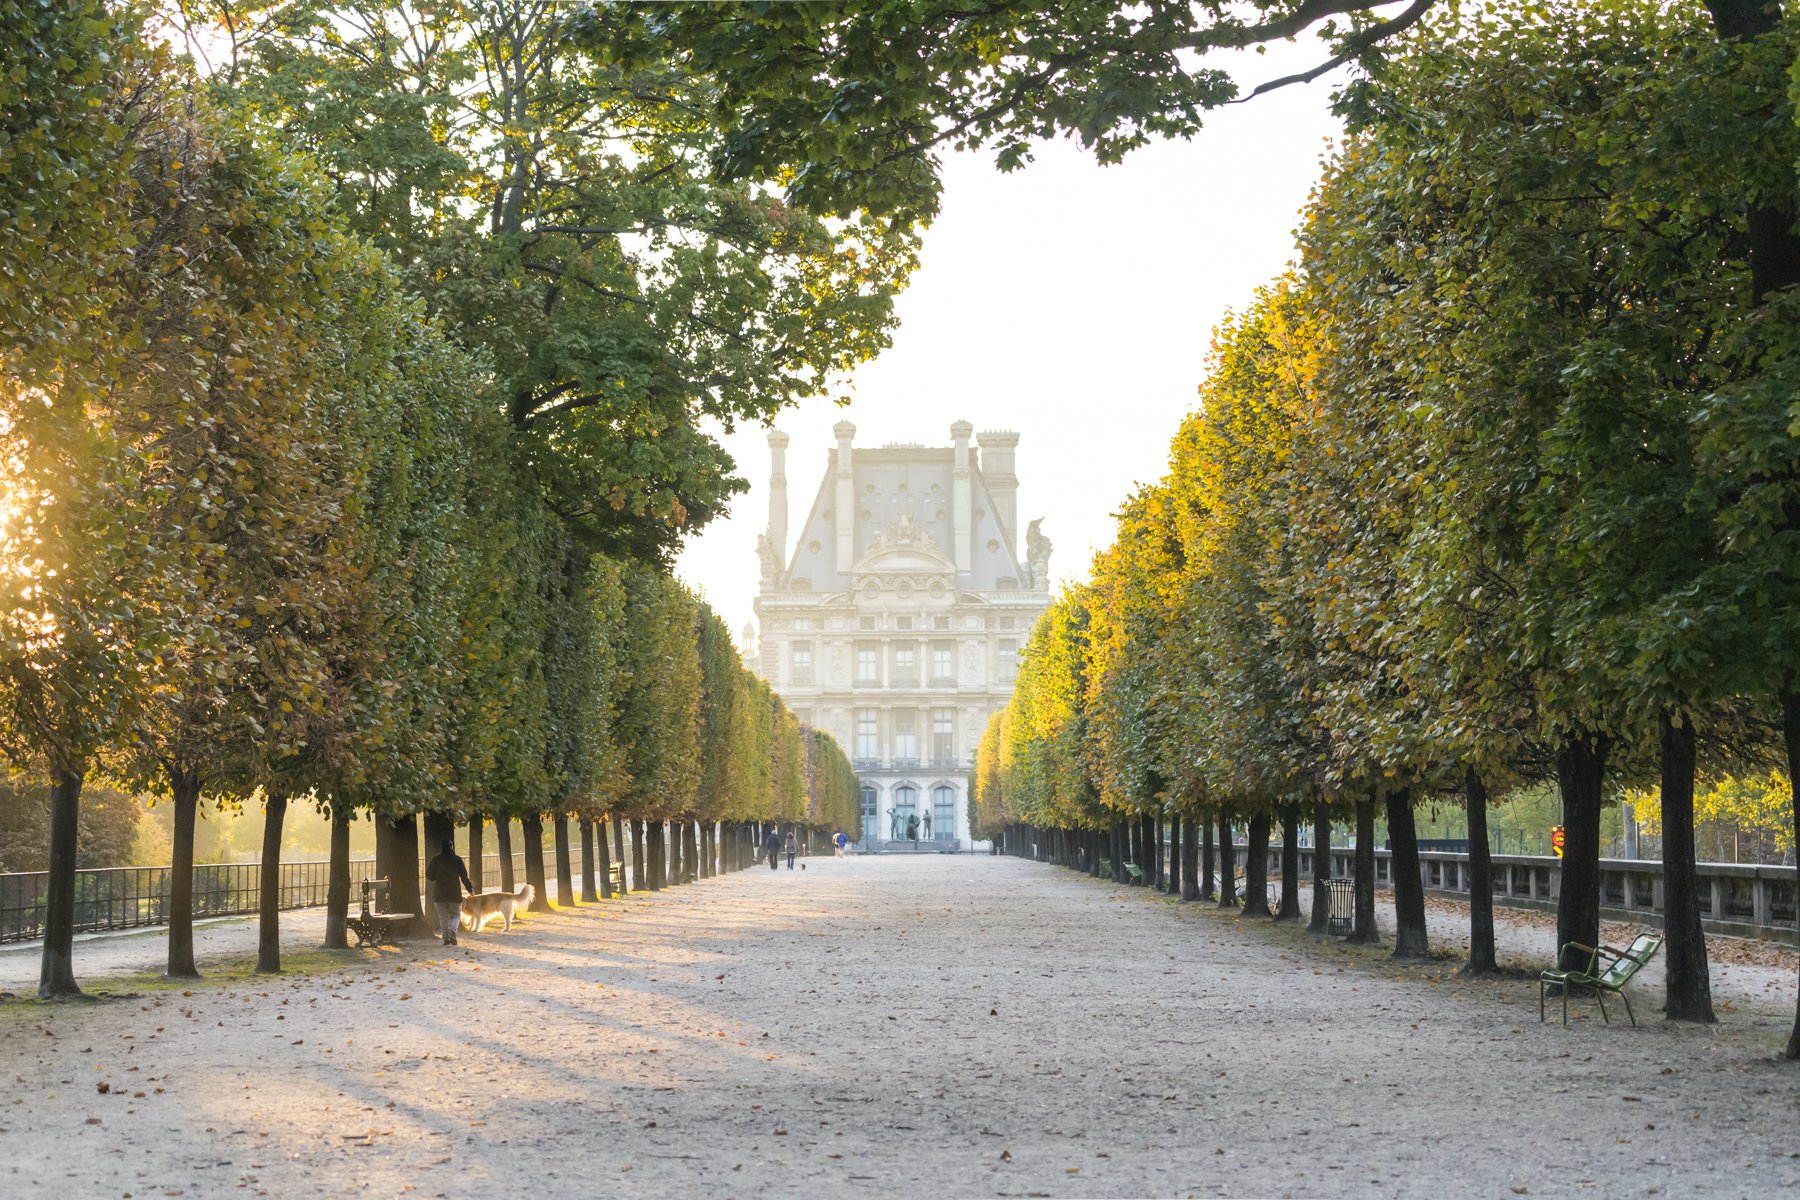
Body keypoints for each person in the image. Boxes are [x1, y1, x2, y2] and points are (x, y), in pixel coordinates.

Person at [424, 837, 473, 947]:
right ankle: (452, 931)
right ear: (452, 847)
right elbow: (464, 877)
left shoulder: (436, 859)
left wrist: (437, 876)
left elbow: (429, 875)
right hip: (454, 894)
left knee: (443, 917)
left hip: (439, 895)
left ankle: (446, 938)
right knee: (456, 915)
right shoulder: (457, 860)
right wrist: (470, 889)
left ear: (442, 848)